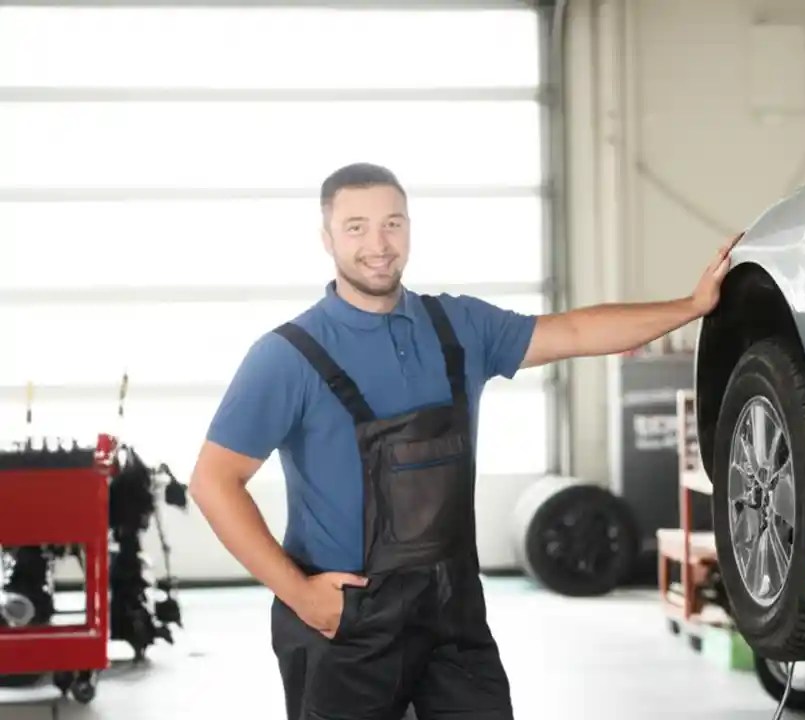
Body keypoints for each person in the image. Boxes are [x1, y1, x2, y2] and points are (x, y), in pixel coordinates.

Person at [189, 162, 739, 720]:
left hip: (452, 610)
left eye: (393, 223)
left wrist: (690, 307)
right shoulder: (287, 356)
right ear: (326, 238)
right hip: (346, 620)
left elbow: (574, 331)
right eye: (356, 227)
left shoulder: (457, 327)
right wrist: (301, 596)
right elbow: (214, 482)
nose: (378, 244)